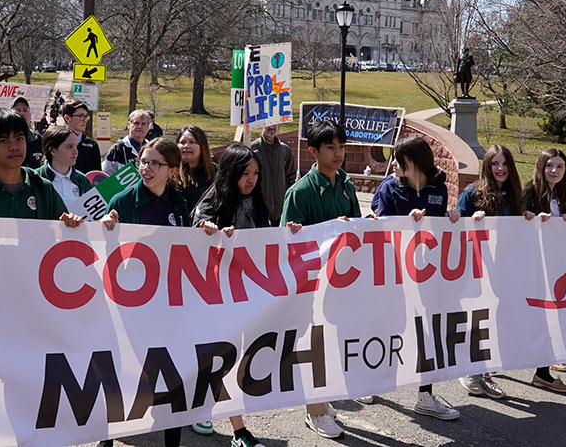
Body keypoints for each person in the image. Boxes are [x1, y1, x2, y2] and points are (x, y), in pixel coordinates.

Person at [98, 137, 189, 447]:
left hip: (167, 305)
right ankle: (108, 436)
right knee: (121, 370)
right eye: (143, 162)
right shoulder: (122, 202)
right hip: (130, 304)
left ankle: (172, 439)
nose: (146, 169)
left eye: (155, 164)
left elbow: (187, 250)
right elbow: (107, 252)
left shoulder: (179, 203)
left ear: (172, 170)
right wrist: (106, 227)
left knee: (170, 375)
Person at [369, 135, 462, 420]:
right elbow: (380, 224)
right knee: (388, 329)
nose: (394, 163)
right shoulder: (389, 188)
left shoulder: (439, 189)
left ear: (416, 162)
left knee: (427, 332)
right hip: (394, 273)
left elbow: (439, 228)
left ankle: (425, 394)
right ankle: (371, 381)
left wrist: (450, 218)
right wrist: (404, 221)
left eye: (400, 159)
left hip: (429, 276)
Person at [279, 119, 359, 439]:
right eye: (331, 148)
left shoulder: (347, 185)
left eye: (341, 146)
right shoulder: (299, 192)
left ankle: (323, 402)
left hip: (342, 284)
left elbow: (358, 229)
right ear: (313, 151)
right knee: (315, 347)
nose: (338, 153)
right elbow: (287, 243)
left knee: (334, 345)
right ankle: (315, 411)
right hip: (313, 287)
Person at [189, 143, 270, 446]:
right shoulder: (212, 202)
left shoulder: (256, 203)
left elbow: (268, 236)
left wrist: (289, 234)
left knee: (231, 358)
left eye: (256, 173)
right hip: (215, 295)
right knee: (220, 357)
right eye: (245, 173)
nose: (251, 179)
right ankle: (238, 429)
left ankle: (204, 407)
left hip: (247, 293)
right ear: (231, 173)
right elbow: (197, 228)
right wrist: (207, 229)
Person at [456, 144, 527, 399]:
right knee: (477, 317)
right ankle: (469, 369)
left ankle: (484, 372)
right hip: (476, 266)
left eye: (505, 164)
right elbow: (453, 226)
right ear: (487, 166)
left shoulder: (515, 194)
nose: (500, 168)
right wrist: (470, 221)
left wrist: (528, 218)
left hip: (504, 268)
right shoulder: (471, 193)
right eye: (495, 163)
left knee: (497, 320)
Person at [0, 108, 82, 227]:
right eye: (4, 141)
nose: (14, 147)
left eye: (19, 139)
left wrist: (71, 223)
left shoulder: (44, 189)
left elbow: (62, 240)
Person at [521, 148, 566, 393]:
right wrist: (531, 217)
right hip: (528, 265)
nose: (554, 171)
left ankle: (542, 373)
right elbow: (514, 221)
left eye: (559, 167)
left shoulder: (559, 194)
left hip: (551, 265)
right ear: (540, 166)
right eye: (549, 166)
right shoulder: (529, 191)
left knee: (547, 318)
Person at [36, 125, 94, 211]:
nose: (76, 152)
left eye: (76, 146)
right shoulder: (35, 178)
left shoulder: (82, 181)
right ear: (53, 151)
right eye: (69, 147)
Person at [250, 124, 296, 226]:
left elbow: (291, 177)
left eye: (274, 124)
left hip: (281, 211)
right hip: (259, 211)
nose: (272, 127)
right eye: (268, 124)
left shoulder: (285, 150)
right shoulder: (253, 148)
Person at [175, 125, 215, 210]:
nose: (186, 146)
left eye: (192, 142)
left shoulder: (216, 173)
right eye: (182, 142)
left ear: (202, 147)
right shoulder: (170, 172)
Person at [102, 109, 152, 174]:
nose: (139, 127)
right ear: (128, 125)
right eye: (136, 123)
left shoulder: (152, 149)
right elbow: (104, 177)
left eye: (143, 124)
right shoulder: (116, 151)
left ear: (148, 127)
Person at [61, 99, 102, 174]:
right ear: (67, 118)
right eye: (81, 116)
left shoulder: (92, 145)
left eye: (86, 116)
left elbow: (97, 175)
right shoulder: (57, 142)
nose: (85, 120)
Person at [11, 97, 44, 168]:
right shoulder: (6, 141)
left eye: (25, 110)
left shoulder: (38, 139)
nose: (22, 113)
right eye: (18, 110)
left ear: (30, 115)